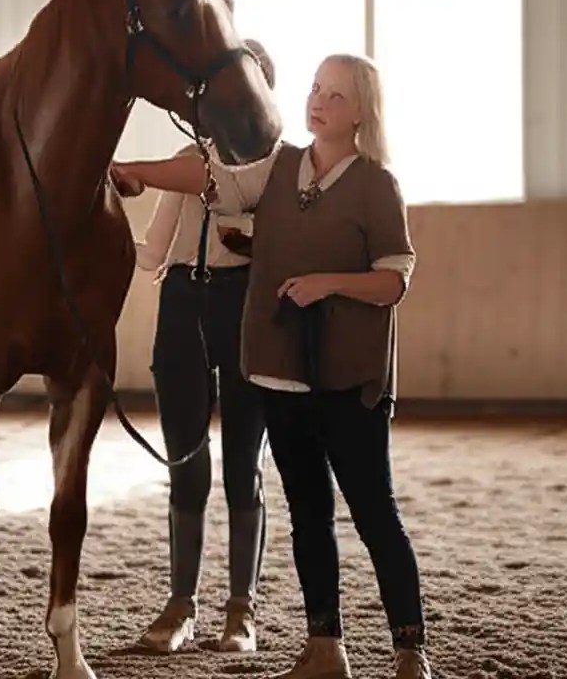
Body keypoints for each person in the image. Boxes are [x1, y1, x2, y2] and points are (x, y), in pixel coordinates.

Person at [111, 53, 432, 679]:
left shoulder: (376, 184)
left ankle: (410, 649)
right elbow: (212, 178)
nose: (319, 101)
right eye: (316, 89)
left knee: (373, 513)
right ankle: (324, 648)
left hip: (349, 375)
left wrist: (325, 284)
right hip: (282, 368)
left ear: (362, 111)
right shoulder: (282, 168)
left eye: (336, 95)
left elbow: (395, 280)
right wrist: (128, 172)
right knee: (310, 514)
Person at [132, 40, 276, 655]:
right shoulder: (184, 162)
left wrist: (132, 168)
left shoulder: (275, 163)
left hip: (245, 309)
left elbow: (212, 180)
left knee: (243, 468)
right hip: (183, 308)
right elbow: (152, 253)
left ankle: (241, 609)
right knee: (187, 467)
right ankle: (181, 603)